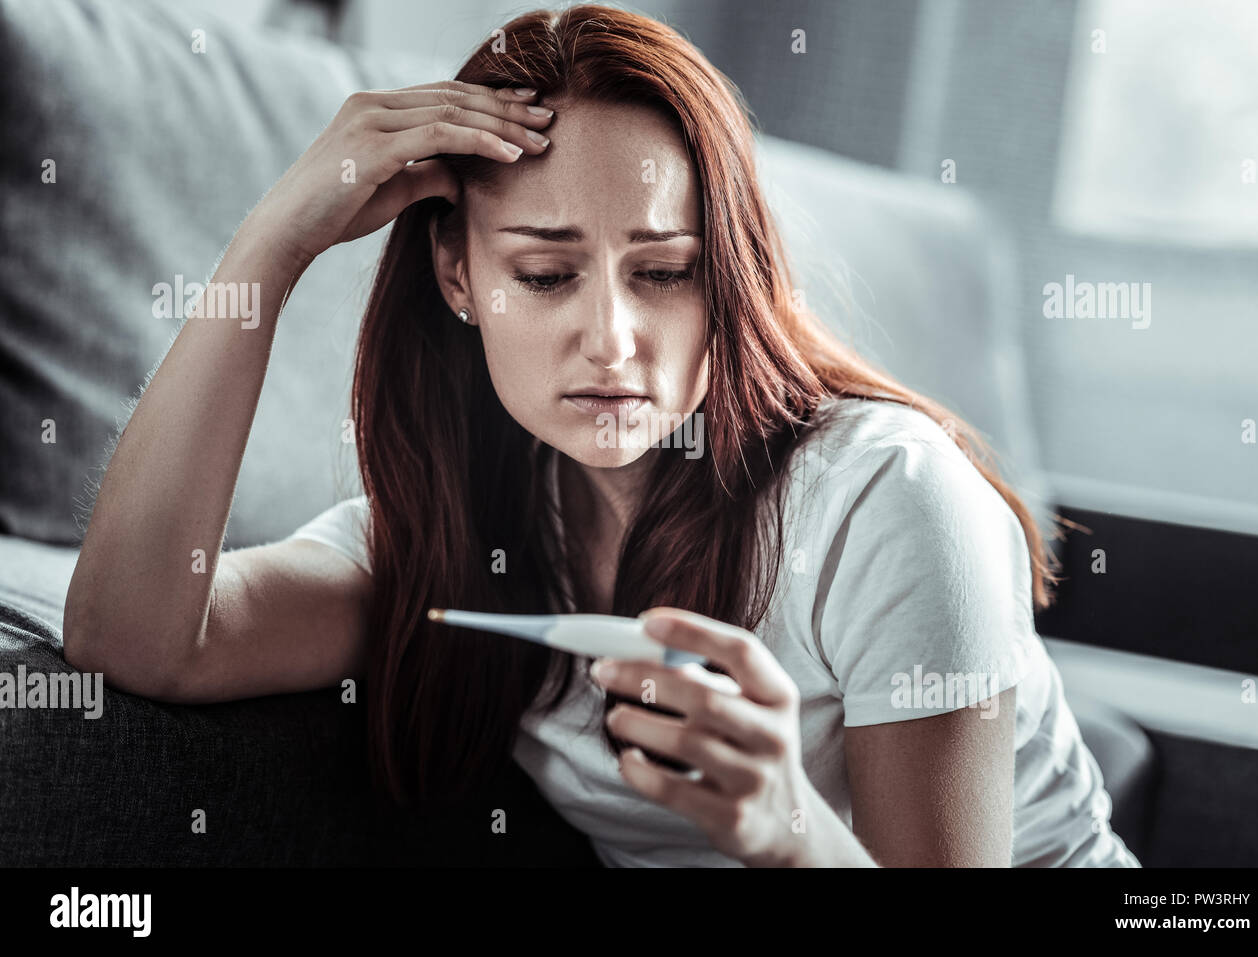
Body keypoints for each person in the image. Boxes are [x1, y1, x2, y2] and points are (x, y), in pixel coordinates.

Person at [64, 4, 1139, 868]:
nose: (612, 341)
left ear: (724, 279)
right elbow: (139, 639)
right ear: (460, 277)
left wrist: (789, 832)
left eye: (664, 273)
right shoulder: (457, 539)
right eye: (544, 275)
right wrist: (271, 245)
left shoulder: (890, 499)